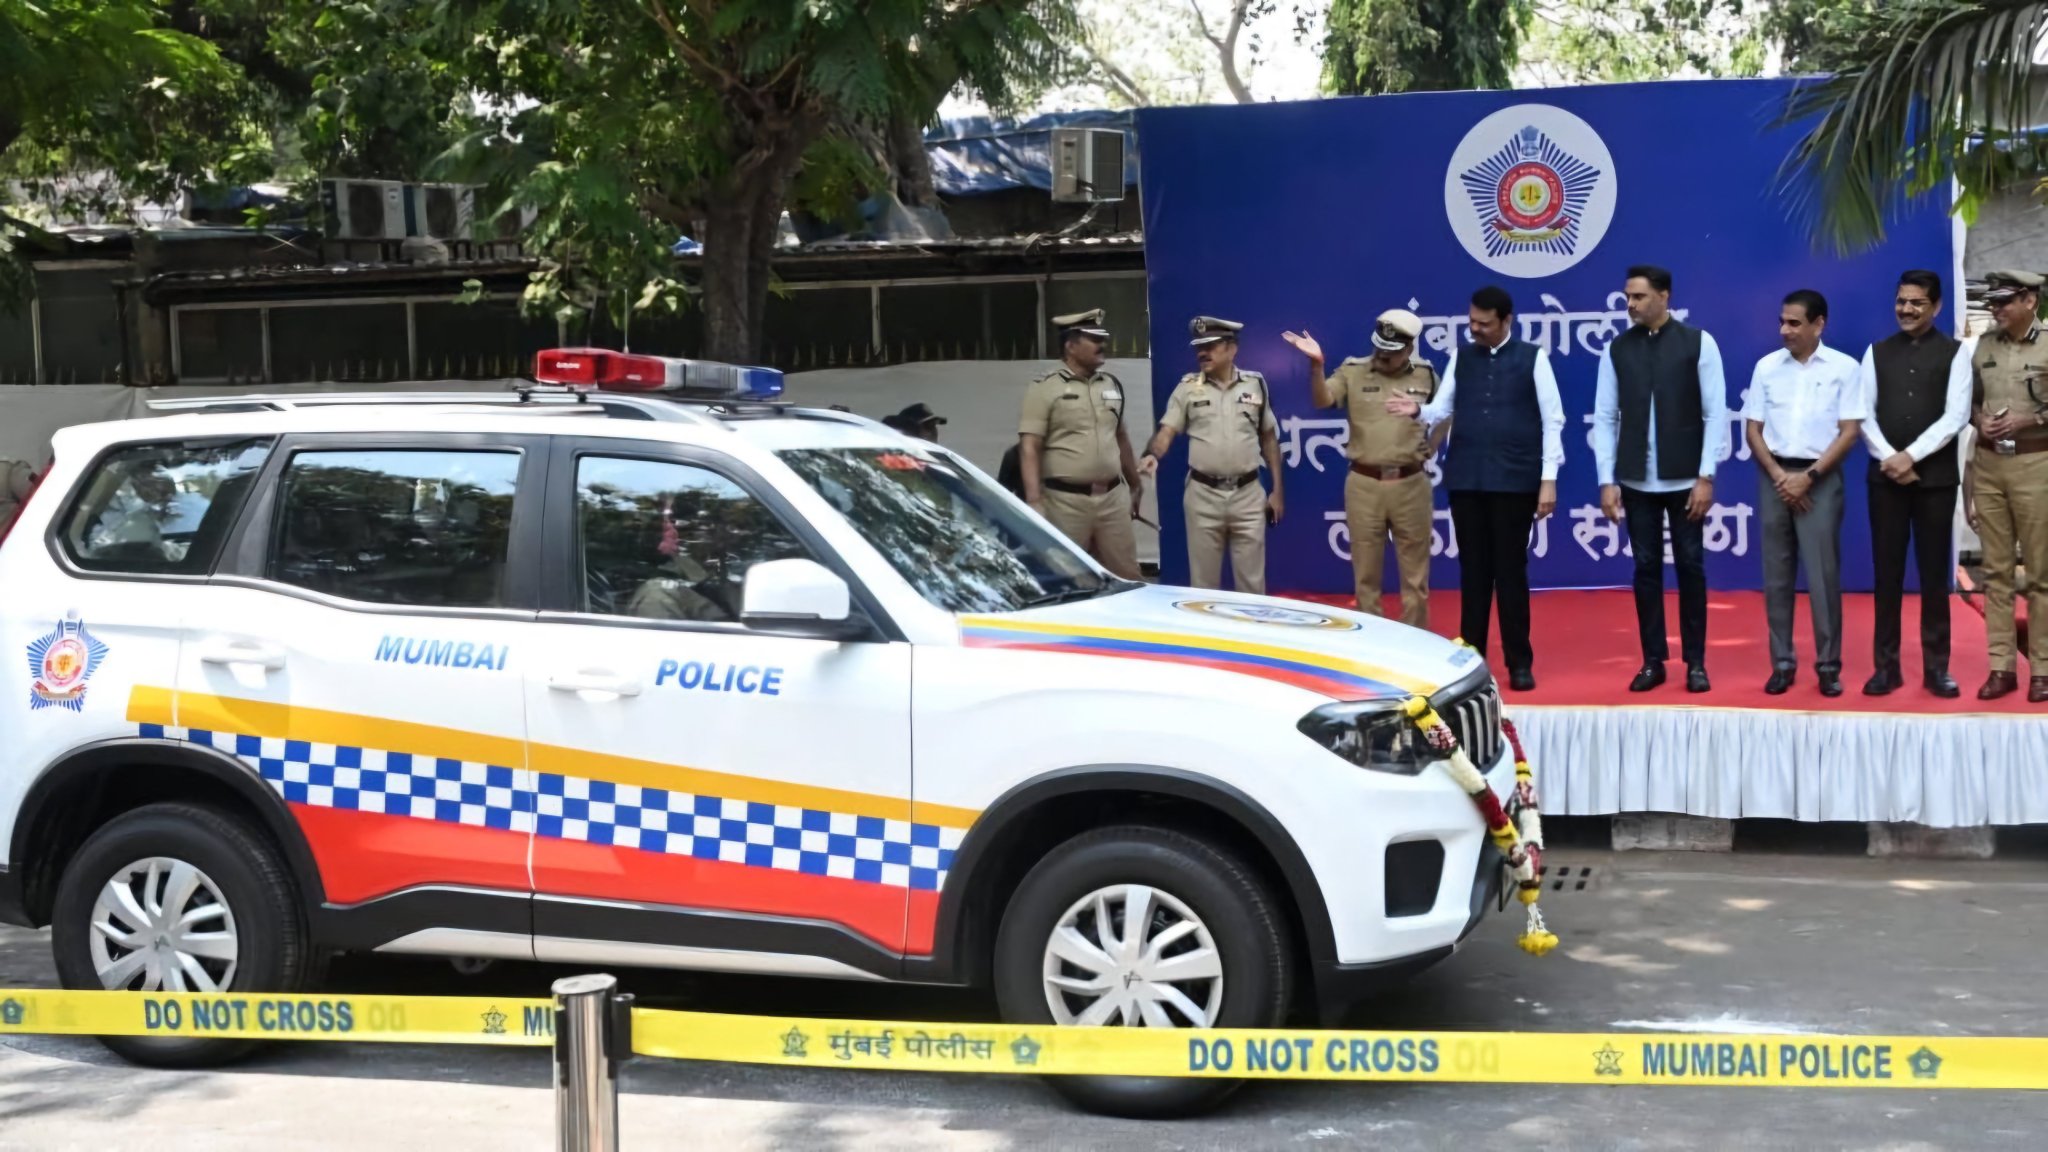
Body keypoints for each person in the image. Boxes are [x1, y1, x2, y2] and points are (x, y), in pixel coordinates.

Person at [1388, 286, 1564, 691]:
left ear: (1506, 321)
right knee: (1474, 572)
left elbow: (1552, 420)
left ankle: (1519, 662)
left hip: (1515, 482)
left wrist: (1548, 479)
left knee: (1511, 573)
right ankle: (1472, 661)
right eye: (1471, 322)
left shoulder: (1533, 358)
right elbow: (1442, 409)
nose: (1475, 329)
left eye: (1484, 323)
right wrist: (1418, 411)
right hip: (1467, 479)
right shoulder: (1462, 357)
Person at [1592, 264, 1729, 695]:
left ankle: (1696, 662)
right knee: (1646, 570)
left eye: (1639, 297)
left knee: (1691, 567)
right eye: (1628, 297)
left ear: (1664, 296)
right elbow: (1604, 416)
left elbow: (1715, 414)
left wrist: (1706, 476)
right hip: (1636, 483)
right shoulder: (1617, 348)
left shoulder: (1698, 343)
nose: (1630, 305)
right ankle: (1653, 661)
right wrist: (1607, 480)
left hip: (1685, 480)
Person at [1283, 309, 1445, 626]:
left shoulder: (1425, 375)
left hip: (1411, 485)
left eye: (1391, 351)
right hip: (1364, 485)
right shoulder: (1353, 371)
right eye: (1379, 347)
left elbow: (1445, 412)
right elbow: (1323, 400)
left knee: (1415, 581)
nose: (1382, 354)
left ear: (1409, 348)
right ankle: (1373, 642)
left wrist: (1434, 444)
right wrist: (1316, 366)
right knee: (1366, 580)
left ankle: (1415, 641)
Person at [1743, 288, 1867, 697]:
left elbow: (1849, 432)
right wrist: (1781, 476)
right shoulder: (1766, 367)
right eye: (1782, 322)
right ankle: (1782, 664)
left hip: (1820, 479)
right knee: (1776, 577)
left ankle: (1828, 666)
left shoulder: (1845, 368)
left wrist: (1808, 477)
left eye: (1794, 323)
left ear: (1819, 324)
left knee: (1822, 577)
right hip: (1774, 476)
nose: (1785, 330)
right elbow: (1753, 429)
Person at [1858, 269, 1971, 699]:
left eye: (1917, 303)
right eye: (1901, 301)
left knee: (1933, 576)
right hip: (1886, 480)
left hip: (1935, 481)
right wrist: (1890, 457)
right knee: (1886, 575)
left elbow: (1956, 416)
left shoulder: (1955, 354)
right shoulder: (1876, 352)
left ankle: (1936, 668)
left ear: (1936, 306)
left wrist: (1911, 456)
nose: (1906, 309)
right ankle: (1885, 668)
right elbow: (1862, 414)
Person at [1139, 316, 1284, 594]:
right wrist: (1152, 454)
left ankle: (1249, 624)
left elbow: (1269, 438)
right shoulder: (1187, 388)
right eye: (1199, 347)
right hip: (1203, 496)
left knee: (1253, 586)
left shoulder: (1255, 385)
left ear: (1232, 349)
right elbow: (1167, 431)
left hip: (1248, 496)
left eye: (1210, 346)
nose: (1202, 353)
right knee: (1203, 587)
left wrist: (1277, 491)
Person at [1966, 269, 2048, 702]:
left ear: (2029, 301)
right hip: (1990, 464)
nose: (1995, 308)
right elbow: (1969, 401)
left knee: (2040, 573)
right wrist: (1979, 420)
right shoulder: (1983, 346)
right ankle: (2001, 667)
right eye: (1992, 302)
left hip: (2036, 464)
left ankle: (2043, 670)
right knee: (1995, 573)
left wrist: (2030, 419)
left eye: (2003, 301)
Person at [1018, 308, 1144, 579]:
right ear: (1071, 346)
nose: (1102, 344)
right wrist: (1034, 500)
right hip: (1065, 503)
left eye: (1102, 338)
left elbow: (1120, 436)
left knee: (1127, 576)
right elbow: (1030, 446)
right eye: (1094, 339)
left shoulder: (1111, 384)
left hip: (1112, 498)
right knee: (1071, 578)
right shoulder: (1045, 387)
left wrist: (1135, 483)